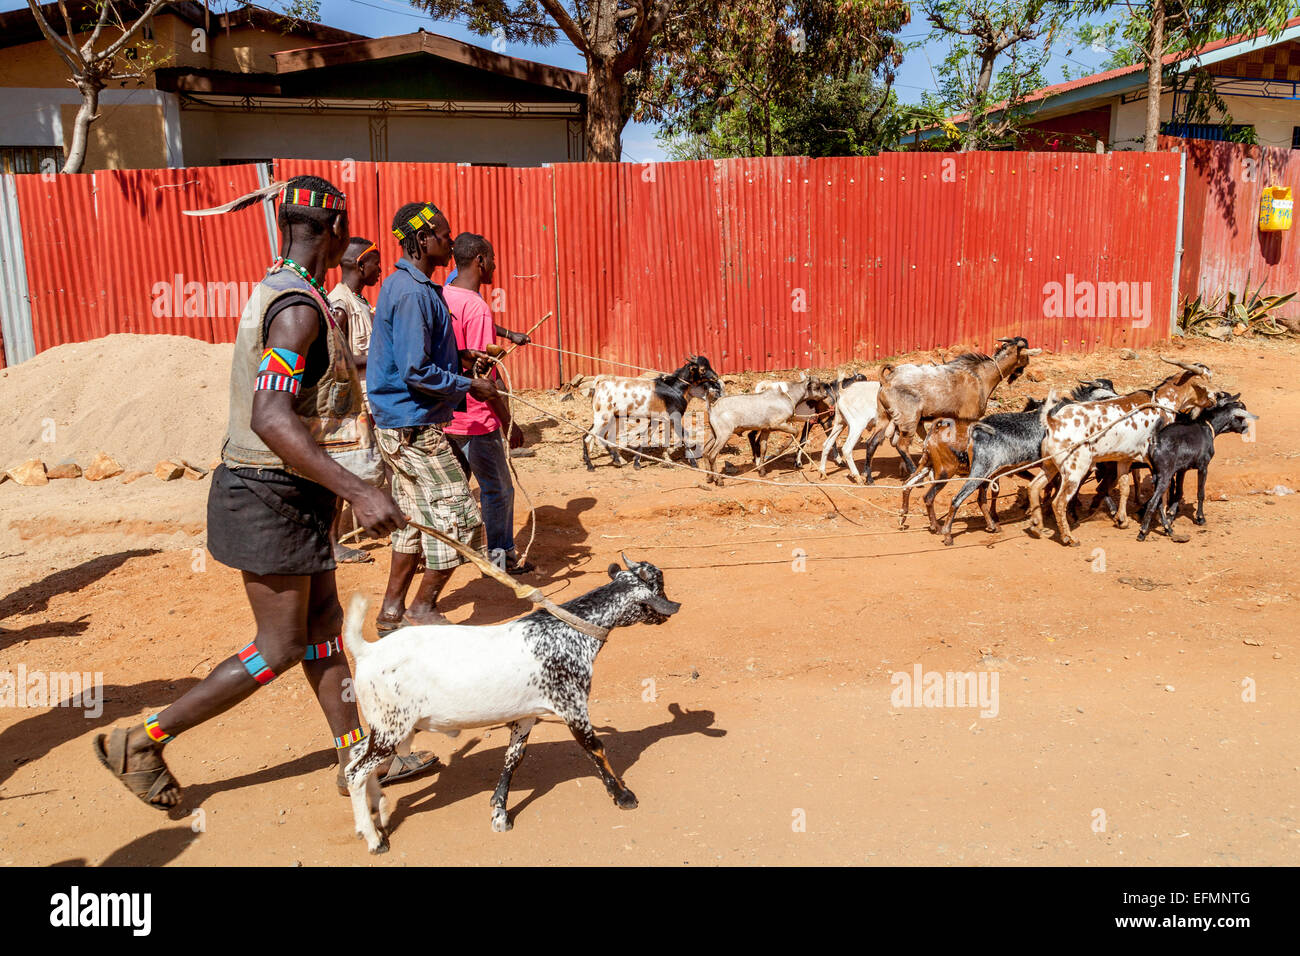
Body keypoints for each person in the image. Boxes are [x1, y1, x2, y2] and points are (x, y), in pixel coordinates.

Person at [93, 175, 438, 809]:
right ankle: (141, 740)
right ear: (334, 231)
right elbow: (270, 417)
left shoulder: (287, 290)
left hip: (292, 495)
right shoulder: (298, 306)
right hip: (267, 497)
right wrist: (359, 491)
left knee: (325, 630)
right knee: (278, 647)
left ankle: (355, 755)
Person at [367, 201, 500, 632]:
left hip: (401, 422)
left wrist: (461, 357)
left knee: (412, 519)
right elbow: (414, 370)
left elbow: (418, 355)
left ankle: (390, 613)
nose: (450, 241)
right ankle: (422, 607)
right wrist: (469, 385)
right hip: (413, 426)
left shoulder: (416, 286)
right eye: (443, 235)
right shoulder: (411, 292)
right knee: (461, 516)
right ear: (423, 240)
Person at [442, 232, 534, 575]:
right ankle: (499, 560)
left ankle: (439, 553)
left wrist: (508, 336)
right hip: (476, 419)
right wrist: (509, 423)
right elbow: (486, 379)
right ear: (480, 260)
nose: (494, 264)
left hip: (446, 415)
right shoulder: (477, 306)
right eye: (492, 258)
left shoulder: (444, 295)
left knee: (454, 489)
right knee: (498, 490)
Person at [328, 237, 383, 564]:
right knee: (341, 471)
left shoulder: (359, 301)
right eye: (375, 262)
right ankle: (332, 542)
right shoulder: (340, 304)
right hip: (350, 403)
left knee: (362, 467)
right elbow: (338, 356)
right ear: (360, 265)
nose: (379, 268)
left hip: (367, 399)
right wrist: (381, 357)